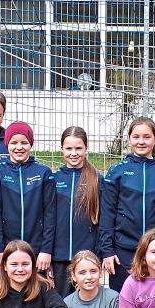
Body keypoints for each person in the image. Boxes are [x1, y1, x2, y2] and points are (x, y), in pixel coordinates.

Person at [100, 117, 155, 292]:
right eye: (136, 137)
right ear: (129, 139)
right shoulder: (117, 171)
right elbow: (107, 212)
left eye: (147, 137)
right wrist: (107, 251)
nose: (141, 142)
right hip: (123, 251)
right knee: (123, 302)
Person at [0, 121, 55, 279]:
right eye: (14, 142)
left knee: (36, 298)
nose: (19, 147)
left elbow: (50, 214)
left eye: (24, 142)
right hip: (6, 251)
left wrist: (46, 250)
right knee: (5, 297)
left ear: (30, 144)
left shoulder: (44, 173)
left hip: (37, 250)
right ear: (7, 144)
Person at [51, 127, 103, 297]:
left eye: (78, 148)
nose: (74, 153)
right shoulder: (53, 179)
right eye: (69, 148)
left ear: (86, 148)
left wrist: (99, 254)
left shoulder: (97, 179)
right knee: (62, 305)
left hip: (87, 258)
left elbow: (104, 219)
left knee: (87, 303)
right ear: (61, 149)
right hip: (59, 258)